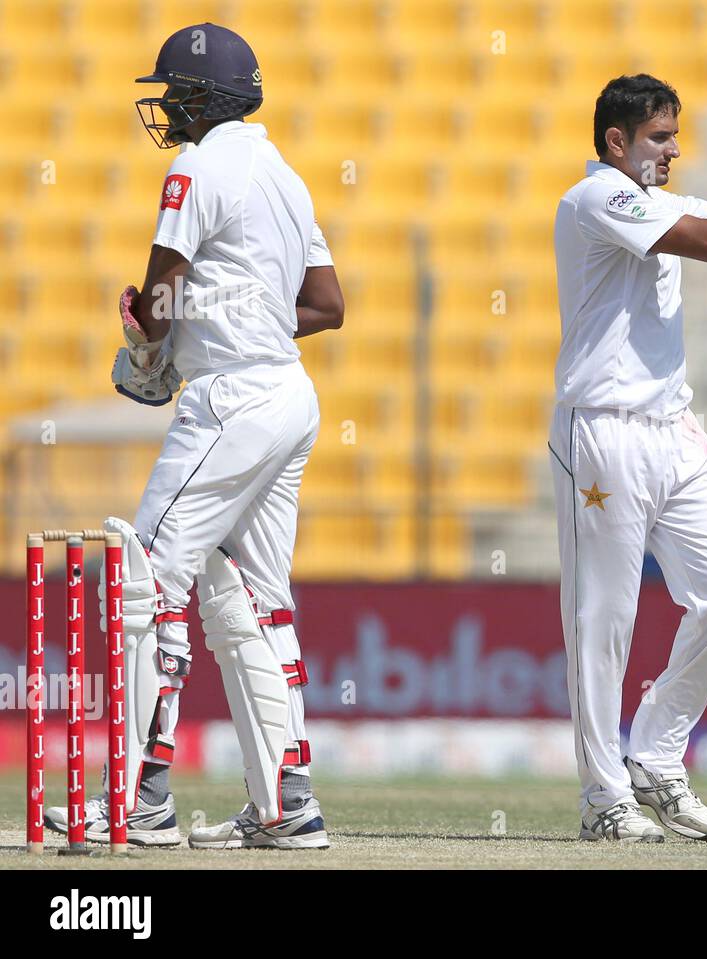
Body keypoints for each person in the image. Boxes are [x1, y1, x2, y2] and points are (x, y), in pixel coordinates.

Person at [44, 23, 343, 850]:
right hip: (287, 394)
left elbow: (162, 283)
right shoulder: (284, 176)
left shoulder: (197, 163)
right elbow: (328, 306)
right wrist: (234, 320)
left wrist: (147, 342)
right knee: (251, 599)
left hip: (232, 401)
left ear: (203, 98)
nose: (167, 106)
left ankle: (139, 803)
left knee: (146, 579)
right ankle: (287, 804)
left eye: (174, 92)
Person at [550, 53, 707, 841]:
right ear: (616, 139)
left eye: (676, 136)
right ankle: (602, 796)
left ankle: (655, 754)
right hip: (604, 431)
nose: (672, 150)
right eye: (659, 137)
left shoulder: (648, 197)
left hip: (674, 430)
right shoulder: (598, 196)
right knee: (605, 618)